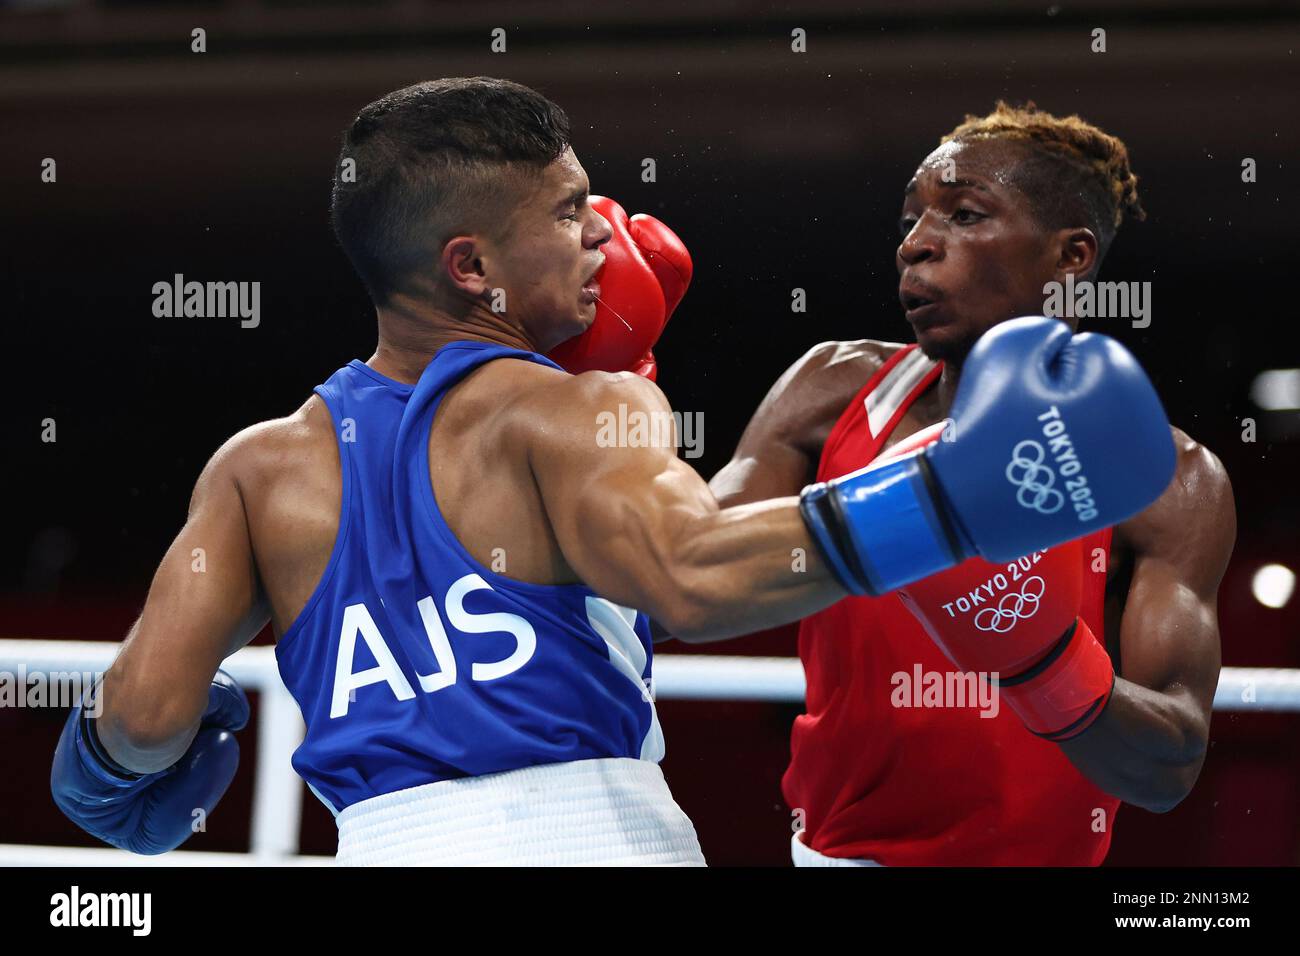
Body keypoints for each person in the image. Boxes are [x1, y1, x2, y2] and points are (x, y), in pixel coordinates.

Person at [50, 81, 1175, 865]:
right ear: (472, 264)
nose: (602, 231)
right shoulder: (585, 410)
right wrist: (951, 496)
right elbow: (690, 573)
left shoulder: (253, 468)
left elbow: (142, 718)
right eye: (564, 211)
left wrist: (105, 782)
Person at [708, 101, 1236, 866]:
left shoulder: (1169, 479)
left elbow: (1169, 767)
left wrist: (1039, 659)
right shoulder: (832, 392)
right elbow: (671, 581)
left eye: (963, 214)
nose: (916, 246)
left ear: (1071, 257)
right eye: (911, 221)